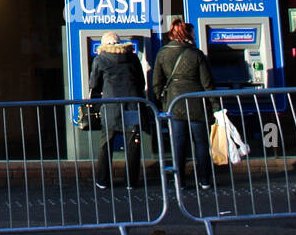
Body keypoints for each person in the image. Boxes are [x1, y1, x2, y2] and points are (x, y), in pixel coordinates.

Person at [152, 20, 216, 190]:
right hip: (197, 102)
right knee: (201, 142)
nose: (194, 35)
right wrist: (216, 107)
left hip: (174, 103)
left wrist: (162, 100)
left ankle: (179, 181)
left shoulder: (162, 53)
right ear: (186, 34)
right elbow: (207, 83)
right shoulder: (196, 54)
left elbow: (157, 83)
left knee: (178, 143)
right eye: (192, 32)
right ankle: (204, 180)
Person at [87, 31, 146, 189]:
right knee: (133, 143)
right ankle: (131, 182)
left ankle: (103, 180)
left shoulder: (100, 59)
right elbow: (141, 82)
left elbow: (94, 84)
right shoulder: (132, 57)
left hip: (111, 106)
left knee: (106, 143)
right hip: (132, 104)